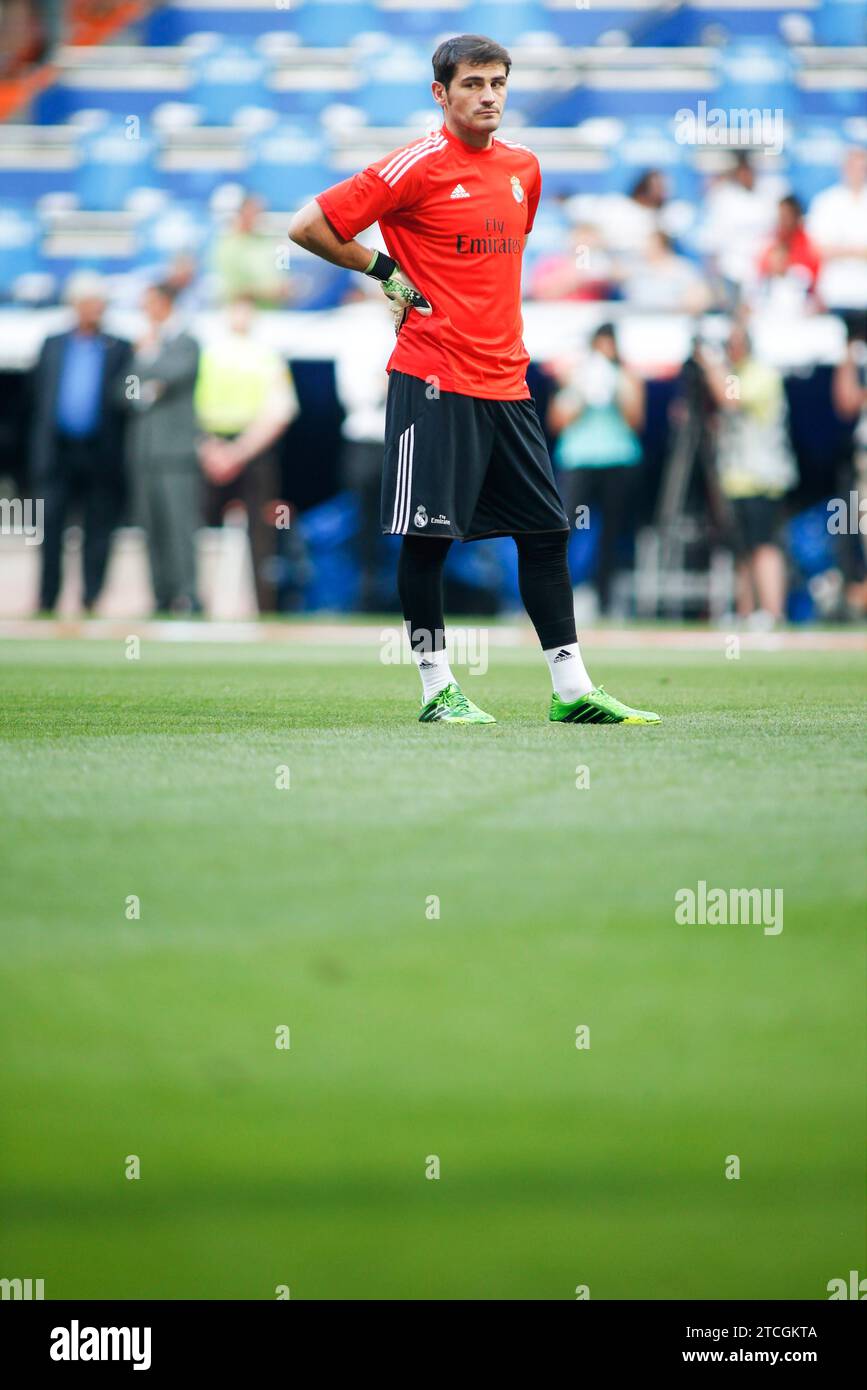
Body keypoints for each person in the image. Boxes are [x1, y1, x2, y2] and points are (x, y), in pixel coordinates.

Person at [289, 33, 659, 725]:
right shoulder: (416, 164)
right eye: (472, 84)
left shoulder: (525, 169)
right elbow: (308, 226)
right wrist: (385, 272)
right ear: (441, 93)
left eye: (497, 83)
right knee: (428, 540)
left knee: (546, 534)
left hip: (508, 382)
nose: (487, 96)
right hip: (432, 379)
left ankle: (571, 687)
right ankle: (437, 688)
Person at [30, 270, 130, 613]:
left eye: (99, 303)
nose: (94, 310)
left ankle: (91, 597)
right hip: (58, 451)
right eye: (88, 303)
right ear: (74, 305)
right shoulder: (53, 344)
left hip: (99, 452)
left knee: (98, 529)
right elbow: (36, 399)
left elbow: (125, 398)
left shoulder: (119, 347)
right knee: (51, 527)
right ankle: (47, 598)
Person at [195, 295, 298, 613]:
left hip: (253, 449)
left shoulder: (267, 356)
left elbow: (282, 410)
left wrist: (237, 452)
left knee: (261, 533)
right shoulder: (209, 354)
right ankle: (194, 601)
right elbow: (192, 407)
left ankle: (263, 608)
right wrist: (209, 447)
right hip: (213, 447)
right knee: (197, 528)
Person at [698, 325, 798, 628]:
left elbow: (731, 399)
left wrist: (711, 364)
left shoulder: (762, 374)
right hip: (736, 477)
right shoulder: (737, 372)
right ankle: (746, 611)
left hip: (762, 476)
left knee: (764, 544)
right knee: (742, 548)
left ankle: (772, 610)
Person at [547, 324, 645, 615]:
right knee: (567, 529)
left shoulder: (627, 377)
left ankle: (604, 601)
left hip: (617, 460)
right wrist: (580, 389)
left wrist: (617, 388)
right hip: (580, 461)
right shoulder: (576, 375)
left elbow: (635, 421)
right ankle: (558, 597)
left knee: (612, 534)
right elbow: (557, 422)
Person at [122, 282, 201, 614]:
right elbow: (124, 392)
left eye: (150, 304)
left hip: (176, 453)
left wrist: (147, 363)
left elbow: (173, 375)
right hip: (144, 454)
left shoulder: (185, 343)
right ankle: (161, 594)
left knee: (179, 526)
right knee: (150, 527)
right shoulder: (145, 345)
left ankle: (188, 595)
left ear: (165, 304)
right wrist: (148, 382)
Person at [806, 146, 867, 322]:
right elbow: (817, 248)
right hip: (835, 292)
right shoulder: (826, 202)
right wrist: (858, 250)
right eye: (854, 166)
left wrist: (840, 249)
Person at [212, 194, 291, 308]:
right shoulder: (228, 245)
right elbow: (232, 288)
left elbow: (282, 278)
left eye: (260, 212)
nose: (257, 217)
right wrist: (267, 292)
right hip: (242, 317)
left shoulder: (268, 242)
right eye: (253, 212)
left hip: (274, 316)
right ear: (242, 213)